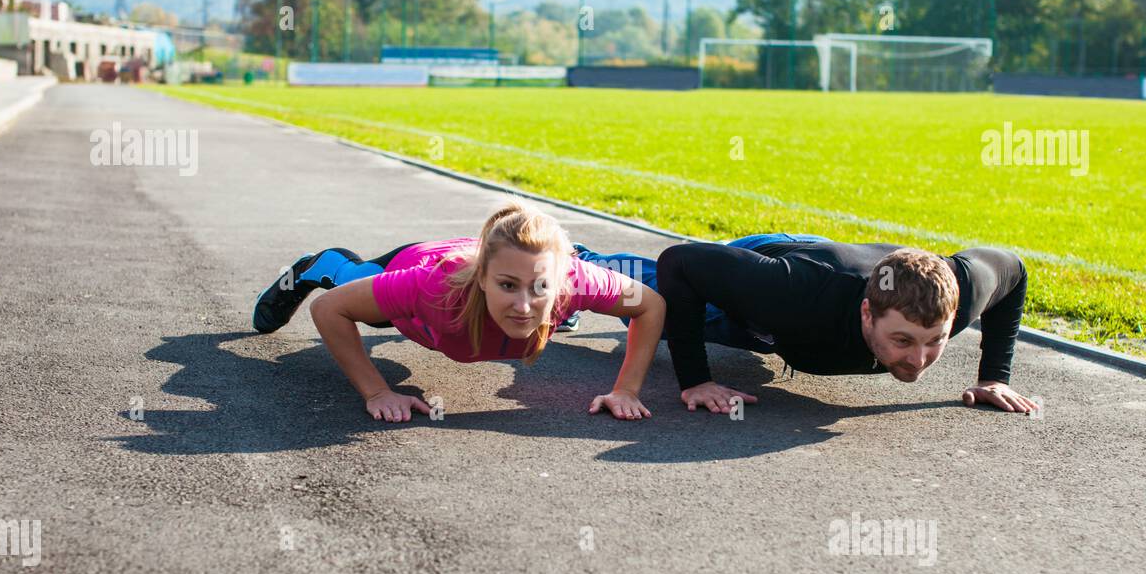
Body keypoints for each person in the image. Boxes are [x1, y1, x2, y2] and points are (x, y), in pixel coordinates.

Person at [252, 200, 665, 422]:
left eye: (541, 287)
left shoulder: (574, 280)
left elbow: (651, 305)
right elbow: (328, 310)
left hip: (496, 260)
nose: (524, 305)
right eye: (507, 286)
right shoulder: (434, 290)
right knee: (371, 311)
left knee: (533, 306)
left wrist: (626, 389)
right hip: (417, 263)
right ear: (484, 277)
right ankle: (327, 263)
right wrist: (377, 391)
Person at [571, 233, 1038, 415]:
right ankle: (571, 263)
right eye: (902, 341)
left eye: (934, 341)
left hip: (795, 312)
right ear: (866, 313)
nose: (919, 361)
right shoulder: (795, 294)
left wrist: (994, 374)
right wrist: (695, 379)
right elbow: (682, 263)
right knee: (657, 300)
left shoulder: (956, 292)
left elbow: (1013, 269)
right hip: (773, 271)